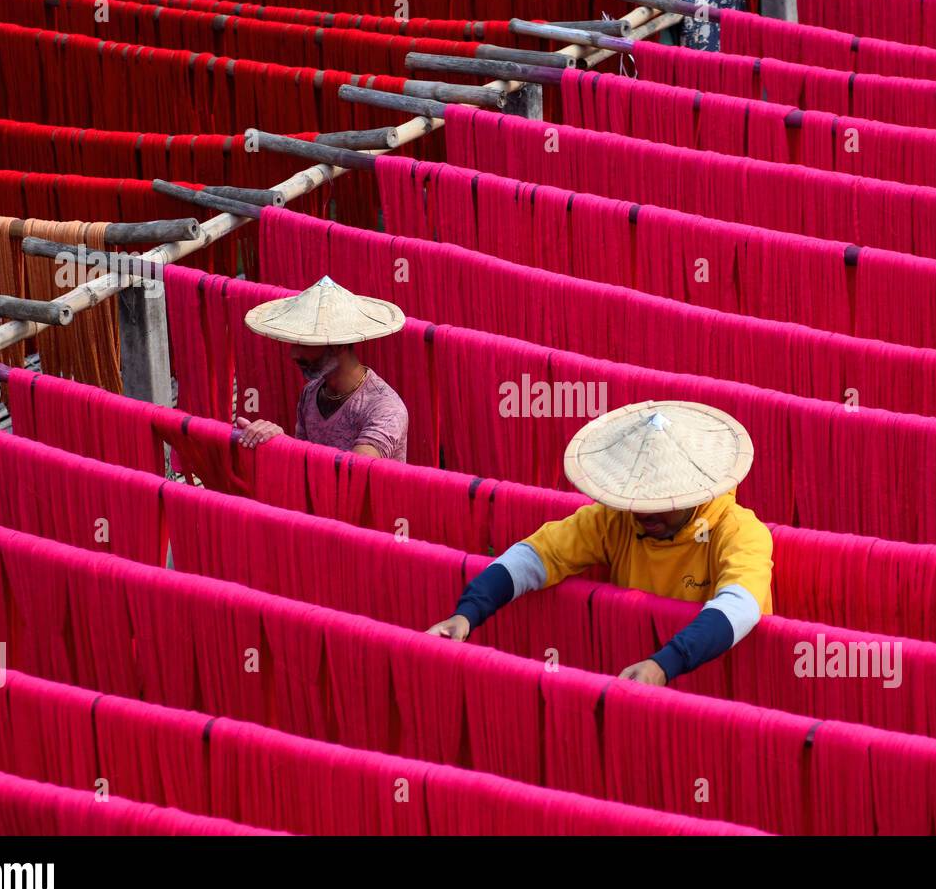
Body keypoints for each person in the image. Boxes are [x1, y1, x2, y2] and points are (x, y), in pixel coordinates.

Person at [426, 401, 773, 685]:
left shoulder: (739, 531)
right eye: (636, 500)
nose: (642, 513)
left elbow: (738, 607)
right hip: (635, 678)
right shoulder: (615, 520)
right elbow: (538, 555)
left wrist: (663, 664)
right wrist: (467, 614)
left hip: (718, 685)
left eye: (657, 502)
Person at [235, 276, 409, 461]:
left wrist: (283, 443)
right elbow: (300, 459)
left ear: (338, 346)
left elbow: (355, 474)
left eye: (304, 344)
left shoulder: (385, 409)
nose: (293, 354)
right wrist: (274, 442)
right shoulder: (311, 392)